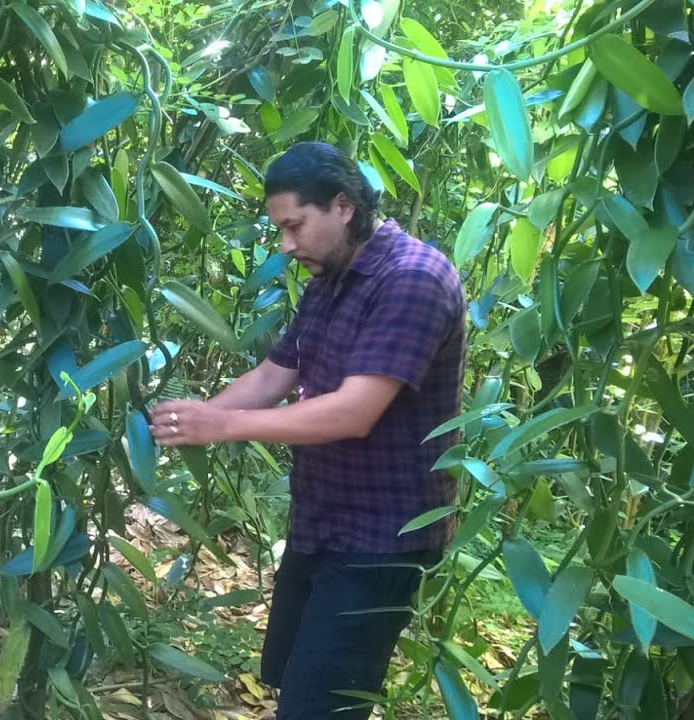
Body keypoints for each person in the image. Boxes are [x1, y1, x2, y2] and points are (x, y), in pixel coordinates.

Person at [148, 141, 467, 719]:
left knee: (323, 706)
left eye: (294, 225)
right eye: (280, 229)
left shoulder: (412, 279)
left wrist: (219, 424)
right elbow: (274, 374)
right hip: (323, 520)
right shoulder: (332, 277)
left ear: (343, 206)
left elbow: (353, 411)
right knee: (298, 683)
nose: (286, 245)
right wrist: (183, 423)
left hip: (380, 539)